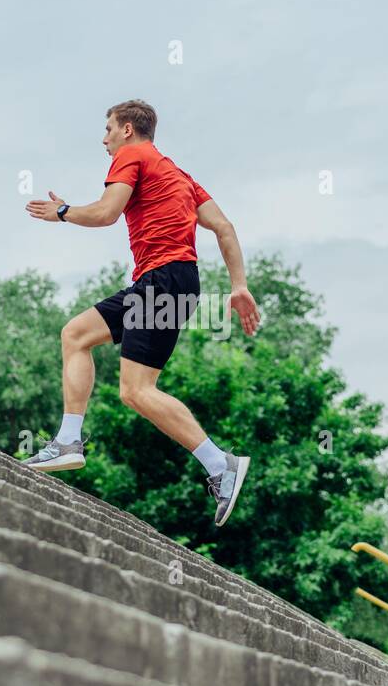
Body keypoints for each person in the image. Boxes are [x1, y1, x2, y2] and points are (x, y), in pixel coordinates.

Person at [23, 99, 261, 526]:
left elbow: (106, 213)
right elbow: (224, 227)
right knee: (76, 335)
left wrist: (62, 212)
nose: (105, 138)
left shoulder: (132, 155)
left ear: (128, 129)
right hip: (170, 281)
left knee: (136, 390)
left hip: (164, 279)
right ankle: (68, 441)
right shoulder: (180, 176)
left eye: (109, 129)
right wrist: (238, 285)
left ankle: (220, 464)